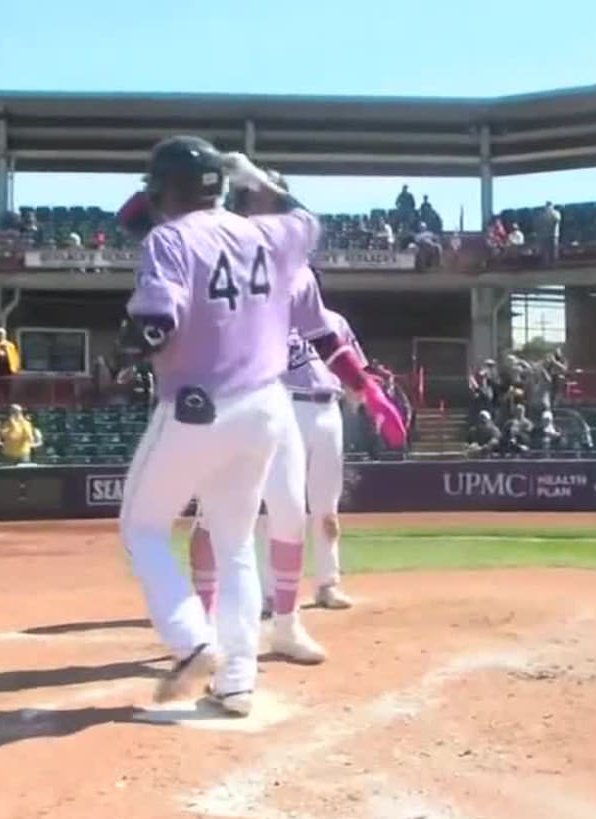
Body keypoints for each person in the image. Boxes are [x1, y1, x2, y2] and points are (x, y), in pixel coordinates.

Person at [113, 139, 404, 719]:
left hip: (198, 403)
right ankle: (237, 680)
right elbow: (306, 220)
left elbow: (156, 322)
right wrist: (260, 182)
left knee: (142, 527)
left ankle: (192, 642)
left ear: (165, 189)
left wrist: (129, 349)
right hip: (267, 407)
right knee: (237, 542)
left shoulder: (169, 238)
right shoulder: (270, 238)